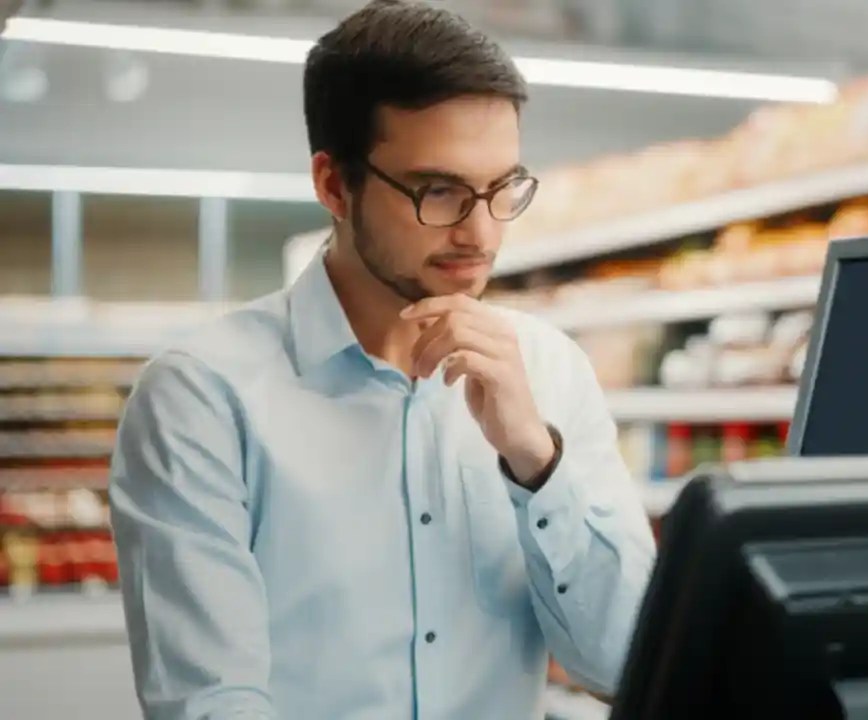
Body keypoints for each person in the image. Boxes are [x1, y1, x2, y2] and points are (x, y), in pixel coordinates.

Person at [108, 2, 657, 718]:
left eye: (502, 189)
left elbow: (624, 663)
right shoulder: (202, 396)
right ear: (334, 185)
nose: (481, 233)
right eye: (440, 192)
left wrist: (534, 460)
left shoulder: (550, 373)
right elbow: (211, 703)